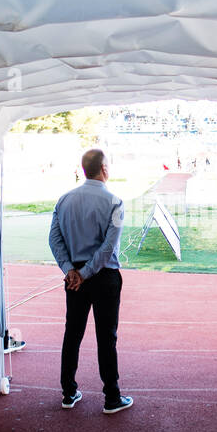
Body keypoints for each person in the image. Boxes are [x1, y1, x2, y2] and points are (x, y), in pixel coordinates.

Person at [48, 149, 134, 413]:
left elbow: (54, 239)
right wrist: (85, 272)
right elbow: (108, 248)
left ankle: (68, 392)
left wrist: (70, 270)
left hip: (74, 279)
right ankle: (111, 397)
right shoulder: (115, 202)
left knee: (72, 334)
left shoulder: (64, 200)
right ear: (104, 168)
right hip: (104, 277)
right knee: (106, 338)